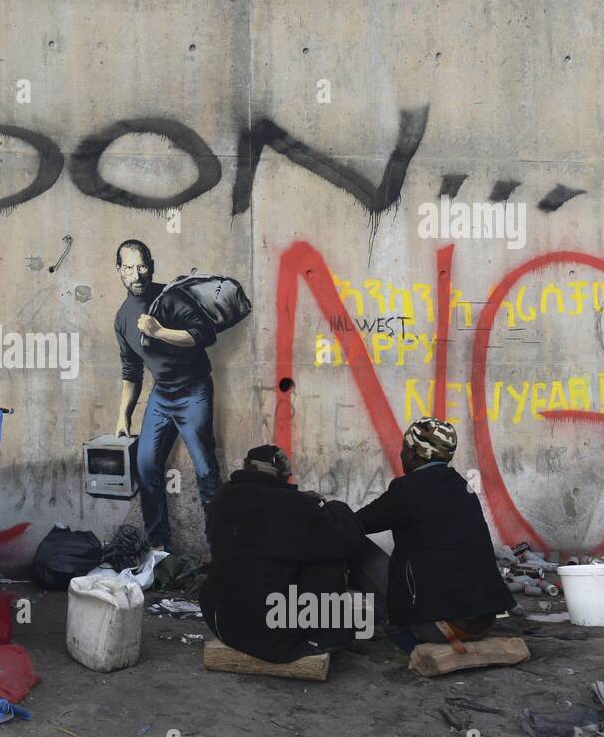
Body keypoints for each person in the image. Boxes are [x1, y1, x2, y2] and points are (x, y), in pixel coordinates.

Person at [200, 445, 372, 662]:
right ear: (281, 473)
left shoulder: (222, 496)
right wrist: (337, 508)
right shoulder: (291, 506)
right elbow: (347, 541)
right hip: (269, 635)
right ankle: (326, 636)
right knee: (328, 560)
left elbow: (262, 513)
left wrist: (298, 500)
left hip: (221, 621)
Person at [355, 417, 515, 651]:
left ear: (413, 455)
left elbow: (356, 523)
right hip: (484, 624)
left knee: (357, 548)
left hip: (442, 629)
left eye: (403, 450)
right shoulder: (462, 487)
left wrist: (323, 509)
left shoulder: (406, 490)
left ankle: (399, 630)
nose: (400, 456)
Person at [112, 239, 220, 549]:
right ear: (119, 271)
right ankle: (159, 549)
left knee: (206, 471)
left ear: (152, 266)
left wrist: (159, 332)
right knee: (146, 467)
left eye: (142, 266)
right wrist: (123, 417)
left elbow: (205, 334)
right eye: (129, 268)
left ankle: (221, 548)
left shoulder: (170, 296)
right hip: (162, 397)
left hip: (193, 389)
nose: (137, 275)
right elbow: (131, 371)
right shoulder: (122, 318)